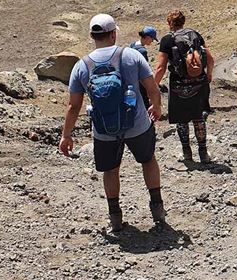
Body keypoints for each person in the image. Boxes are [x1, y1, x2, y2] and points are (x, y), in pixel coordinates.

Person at [59, 14, 165, 230]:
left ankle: (115, 217)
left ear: (91, 36)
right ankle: (157, 209)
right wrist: (156, 107)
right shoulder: (132, 56)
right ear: (114, 33)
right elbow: (152, 88)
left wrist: (66, 135)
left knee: (111, 170)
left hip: (104, 130)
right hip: (137, 124)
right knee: (148, 161)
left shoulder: (82, 65)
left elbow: (73, 106)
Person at [153, 10, 215, 163]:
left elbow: (160, 67)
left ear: (169, 23)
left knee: (182, 120)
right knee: (199, 118)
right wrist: (208, 75)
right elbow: (210, 57)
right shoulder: (195, 35)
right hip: (199, 83)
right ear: (183, 22)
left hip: (178, 86)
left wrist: (153, 86)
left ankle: (187, 153)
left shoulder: (167, 40)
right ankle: (203, 153)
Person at [129, 26, 160, 106]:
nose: (152, 41)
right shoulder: (142, 51)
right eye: (152, 38)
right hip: (141, 81)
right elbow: (144, 69)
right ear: (147, 37)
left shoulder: (132, 45)